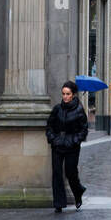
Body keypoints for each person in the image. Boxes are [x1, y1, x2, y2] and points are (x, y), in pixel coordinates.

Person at [45, 81, 88, 213]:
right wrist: (53, 139)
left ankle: (78, 192)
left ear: (73, 95)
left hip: (71, 146)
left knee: (71, 173)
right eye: (63, 94)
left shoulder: (79, 110)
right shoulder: (57, 109)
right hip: (58, 144)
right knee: (57, 173)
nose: (65, 96)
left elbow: (84, 129)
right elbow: (49, 126)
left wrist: (75, 140)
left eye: (68, 94)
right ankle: (59, 203)